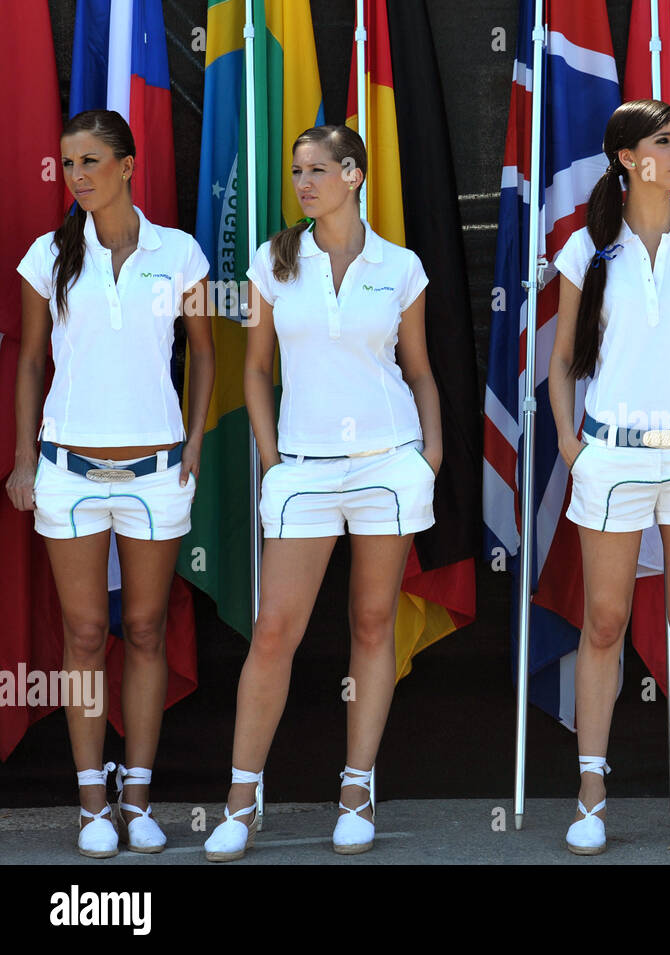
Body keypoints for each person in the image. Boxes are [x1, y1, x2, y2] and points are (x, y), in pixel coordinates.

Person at [203, 125, 439, 861]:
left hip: (387, 464)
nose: (303, 183)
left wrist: (429, 455)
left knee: (372, 622)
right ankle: (241, 801)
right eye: (297, 171)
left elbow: (419, 368)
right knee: (274, 631)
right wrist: (273, 459)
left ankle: (357, 790)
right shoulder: (273, 262)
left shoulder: (401, 266)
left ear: (354, 174)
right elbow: (255, 368)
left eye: (317, 170)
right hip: (301, 468)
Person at [8, 109, 214, 858]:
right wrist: (24, 458)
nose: (77, 176)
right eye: (68, 164)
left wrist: (194, 440)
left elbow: (203, 353)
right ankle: (92, 802)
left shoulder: (180, 253)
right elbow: (31, 359)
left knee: (148, 629)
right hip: (67, 472)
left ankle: (139, 799)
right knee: (87, 634)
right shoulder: (47, 255)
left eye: (90, 160)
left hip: (157, 474)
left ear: (128, 165)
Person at [548, 99, 670, 856]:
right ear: (627, 157)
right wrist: (571, 444)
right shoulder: (585, 248)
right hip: (612, 457)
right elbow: (563, 360)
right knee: (604, 623)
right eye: (664, 141)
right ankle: (591, 795)